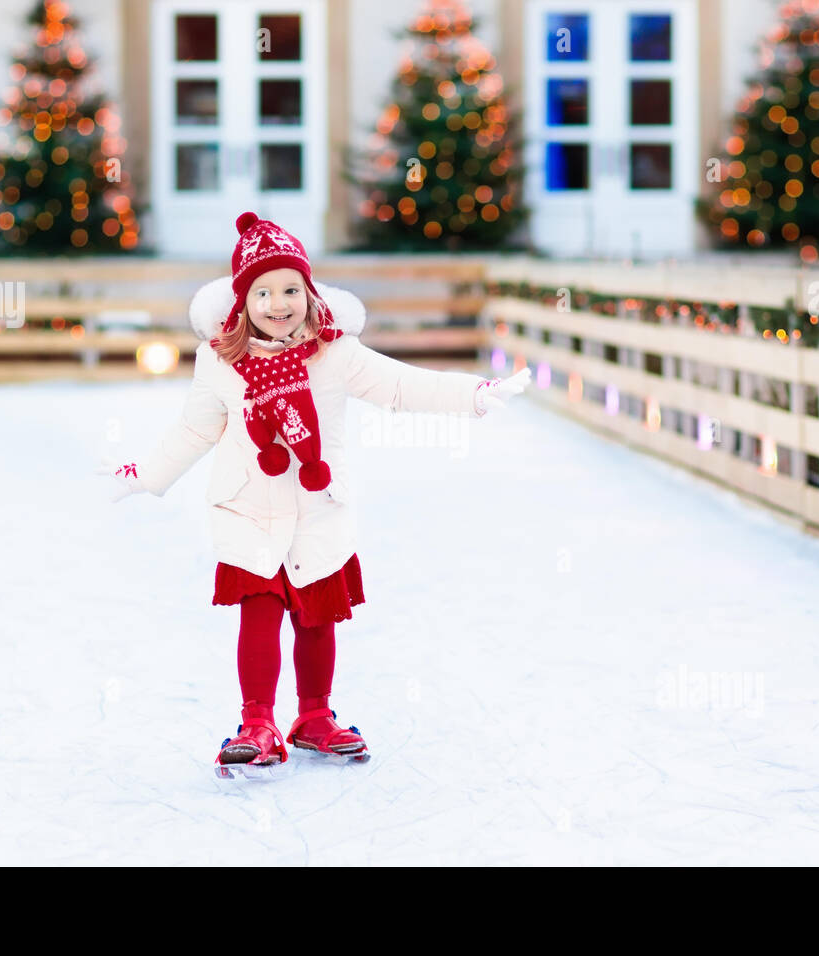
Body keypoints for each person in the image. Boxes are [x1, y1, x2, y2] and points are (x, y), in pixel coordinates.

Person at [98, 211, 530, 770]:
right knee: (258, 613)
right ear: (241, 302)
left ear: (309, 292)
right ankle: (257, 722)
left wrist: (473, 393)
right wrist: (145, 475)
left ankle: (313, 716)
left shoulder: (336, 353)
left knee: (316, 618)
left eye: (290, 289)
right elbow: (195, 430)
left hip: (318, 508)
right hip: (246, 507)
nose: (279, 304)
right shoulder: (222, 361)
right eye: (263, 292)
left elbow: (400, 385)